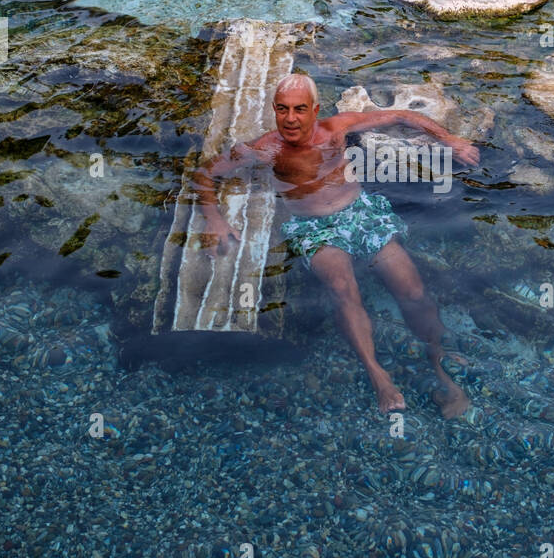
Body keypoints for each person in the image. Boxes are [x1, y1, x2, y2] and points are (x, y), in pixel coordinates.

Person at [191, 73, 479, 418]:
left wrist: (450, 139)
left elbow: (403, 116)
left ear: (314, 110)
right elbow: (206, 174)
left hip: (361, 213)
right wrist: (215, 219)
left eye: (300, 109)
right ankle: (378, 374)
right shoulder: (266, 149)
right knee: (344, 289)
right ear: (274, 110)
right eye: (282, 109)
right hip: (313, 227)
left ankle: (440, 364)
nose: (291, 118)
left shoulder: (336, 129)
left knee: (413, 289)